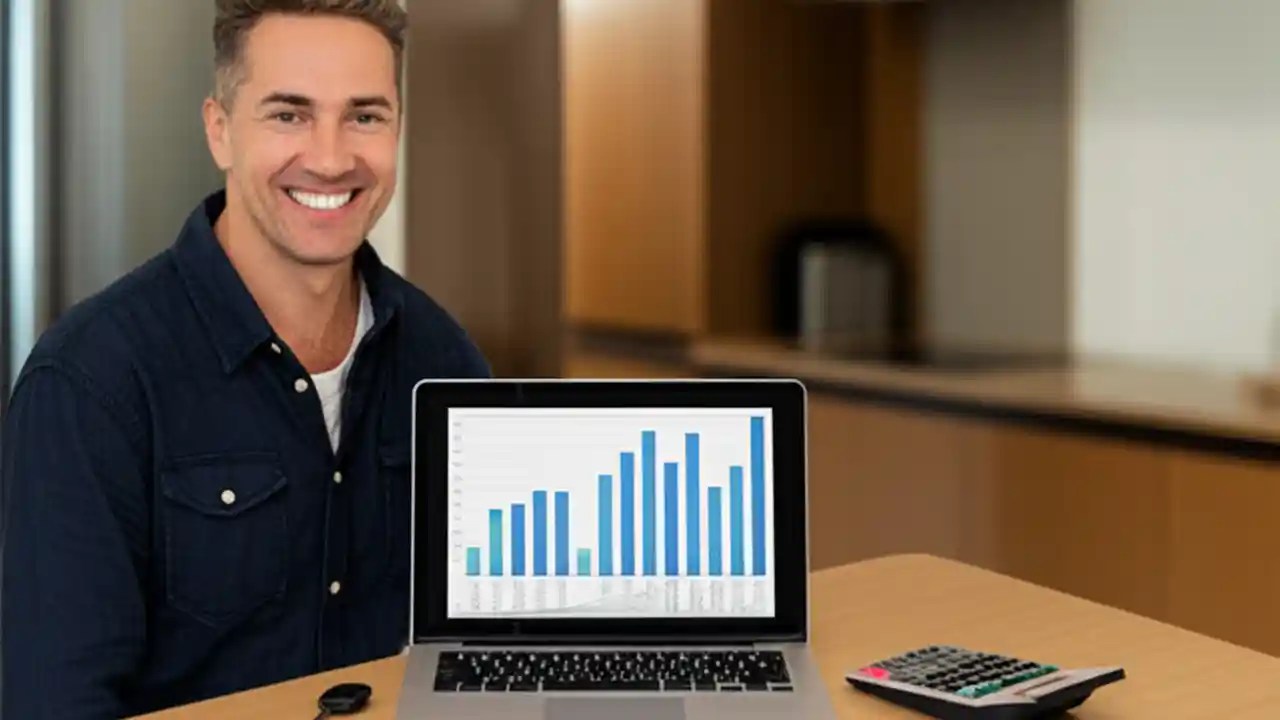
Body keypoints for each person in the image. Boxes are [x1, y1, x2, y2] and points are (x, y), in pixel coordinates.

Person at [0, 1, 489, 716]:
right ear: (219, 129)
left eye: (365, 116)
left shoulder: (444, 360)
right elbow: (54, 702)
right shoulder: (89, 382)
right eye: (288, 114)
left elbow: (477, 653)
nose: (330, 156)